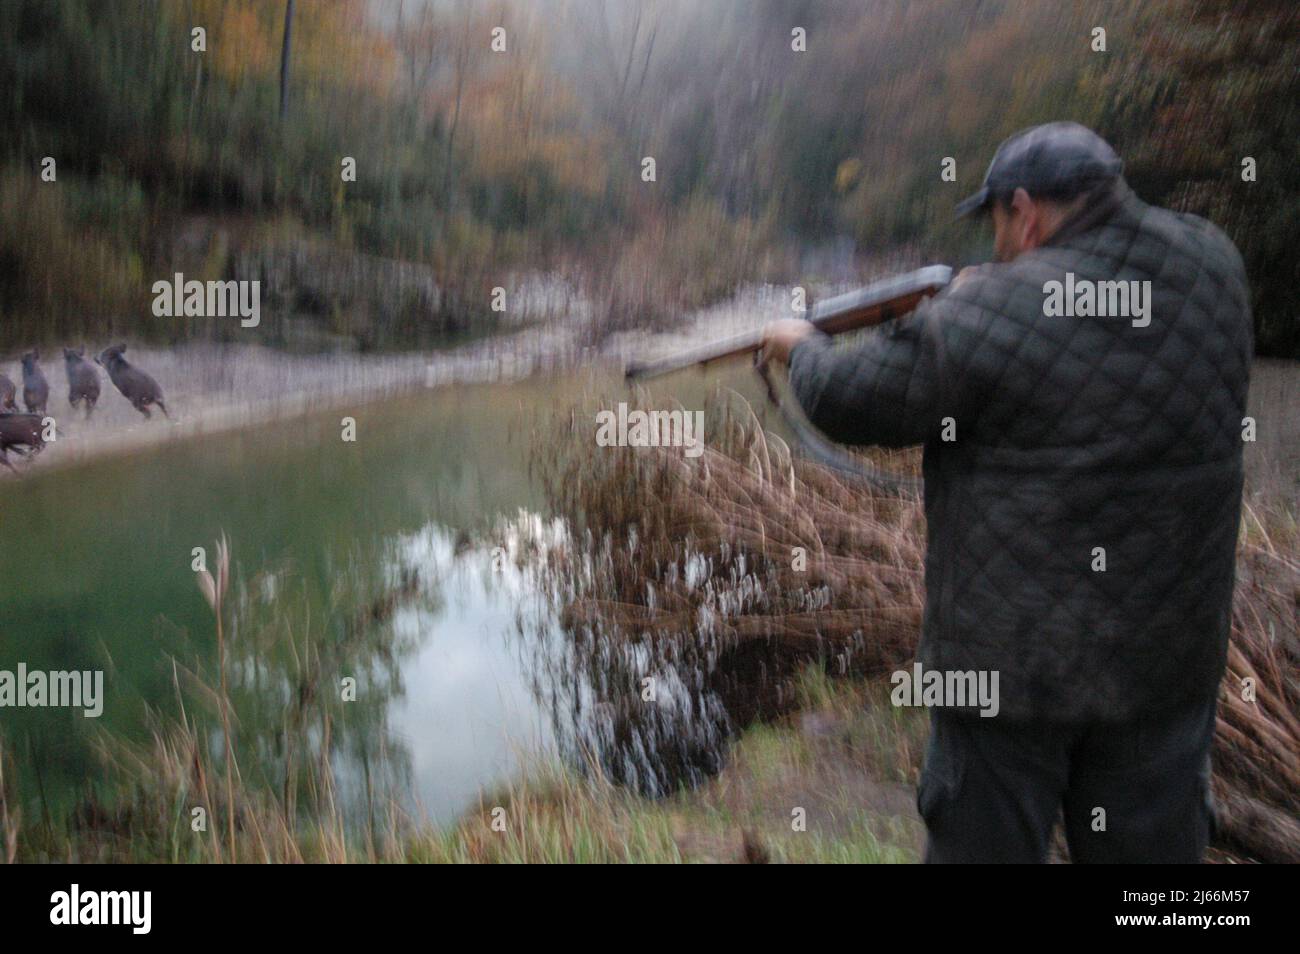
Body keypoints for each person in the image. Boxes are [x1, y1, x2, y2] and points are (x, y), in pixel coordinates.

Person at [759, 121, 1253, 863]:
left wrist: (801, 348)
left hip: (1008, 671)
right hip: (1170, 661)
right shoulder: (1215, 263)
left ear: (1024, 211)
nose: (995, 244)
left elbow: (845, 398)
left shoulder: (991, 310)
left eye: (995, 224)